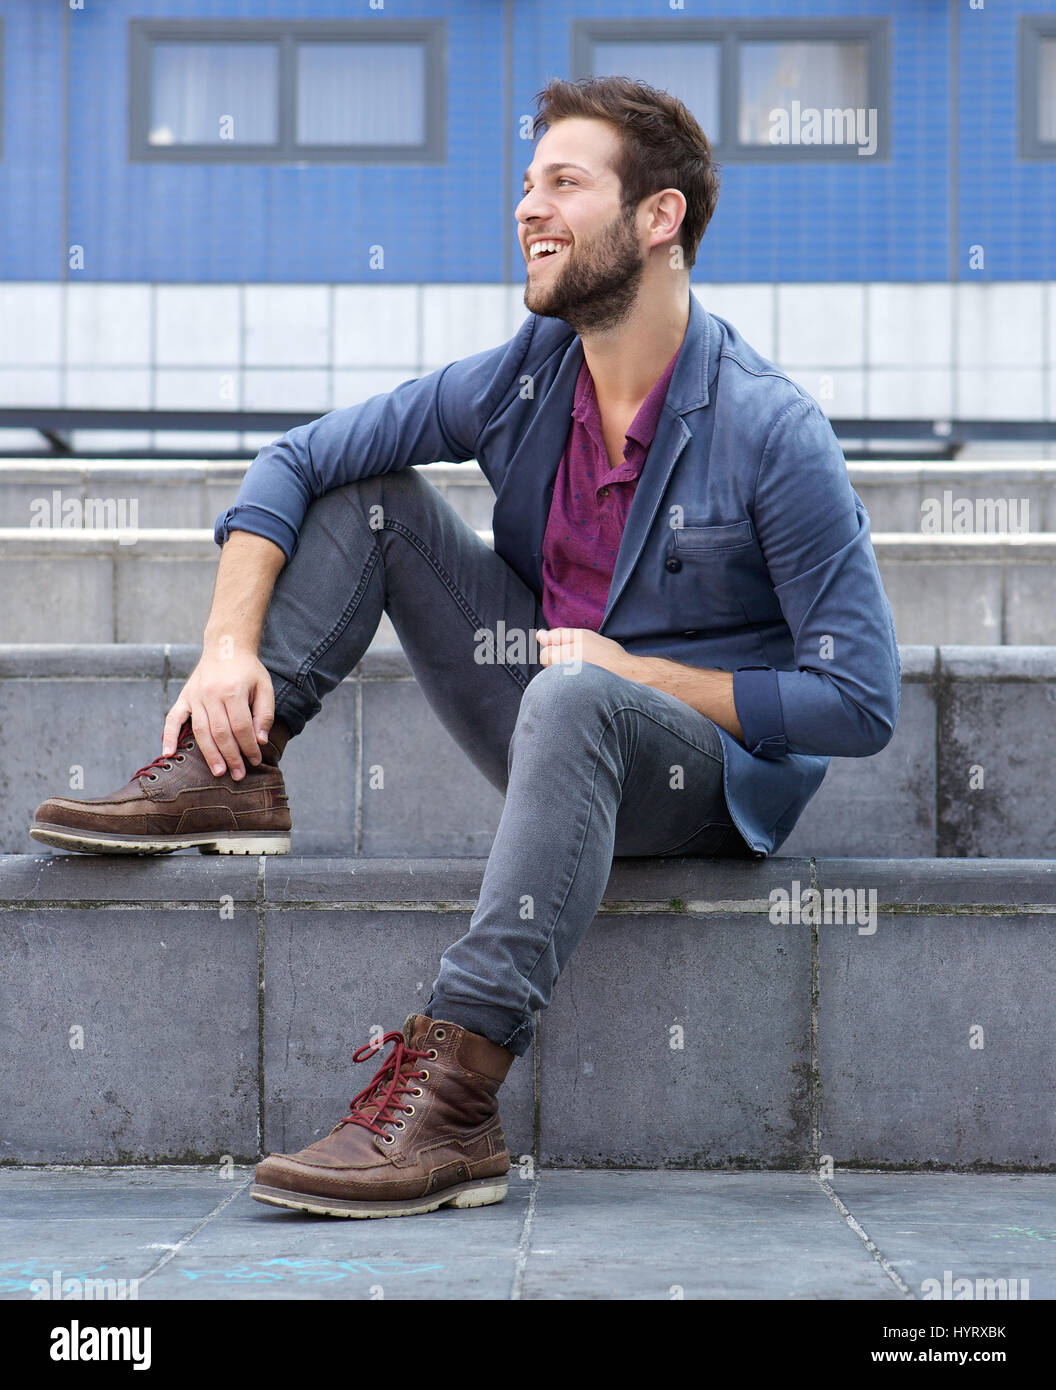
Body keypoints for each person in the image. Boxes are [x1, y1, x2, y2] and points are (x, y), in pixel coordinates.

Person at [30, 77, 900, 1219]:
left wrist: (633, 675)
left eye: (562, 183)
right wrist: (226, 647)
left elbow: (862, 696)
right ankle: (233, 770)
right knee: (370, 494)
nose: (526, 207)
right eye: (525, 183)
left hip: (703, 777)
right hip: (551, 712)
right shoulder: (527, 376)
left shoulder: (769, 428)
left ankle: (457, 1098)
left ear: (660, 217)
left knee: (580, 695)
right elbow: (294, 458)